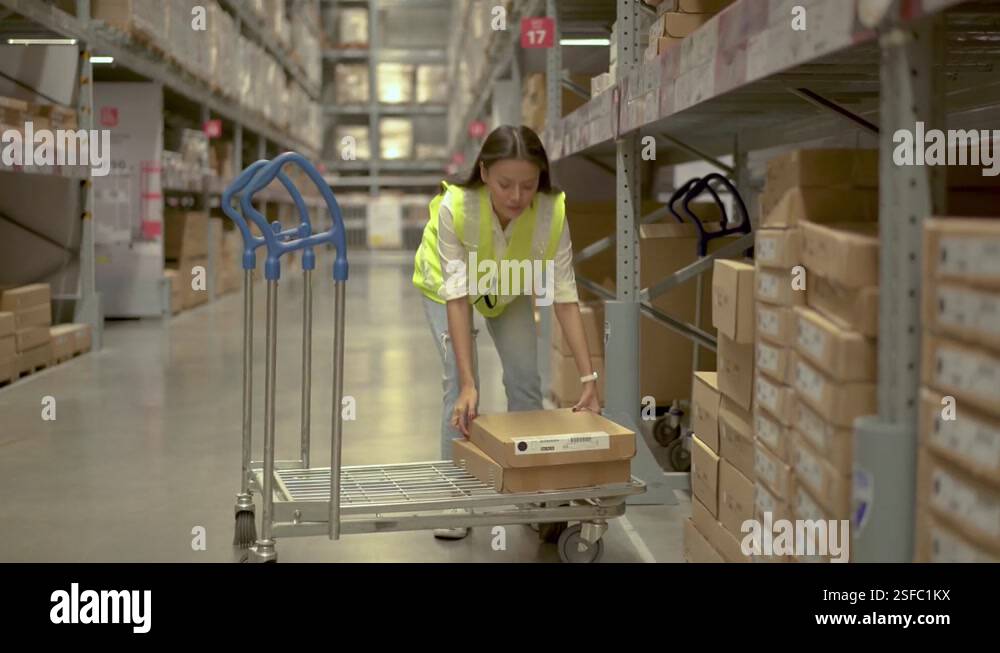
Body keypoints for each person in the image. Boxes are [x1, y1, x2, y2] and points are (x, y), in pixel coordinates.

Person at [412, 125, 600, 540]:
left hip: (507, 286)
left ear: (541, 180)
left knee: (525, 380)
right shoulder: (455, 208)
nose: (516, 196)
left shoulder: (552, 212)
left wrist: (589, 380)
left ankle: (530, 496)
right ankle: (457, 496)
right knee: (458, 388)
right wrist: (467, 382)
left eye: (528, 185)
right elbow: (457, 297)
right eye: (505, 184)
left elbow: (565, 296)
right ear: (483, 173)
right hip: (445, 288)